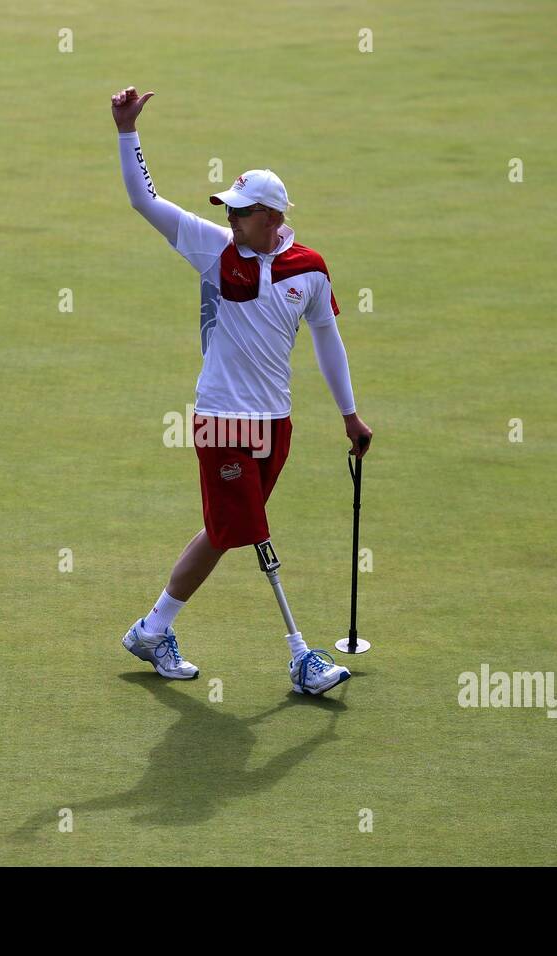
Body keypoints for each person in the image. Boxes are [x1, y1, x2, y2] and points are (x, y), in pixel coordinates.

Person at [112, 86, 372, 696]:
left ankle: (152, 629)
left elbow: (327, 340)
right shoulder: (213, 248)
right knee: (252, 529)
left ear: (274, 217)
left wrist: (349, 415)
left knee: (225, 530)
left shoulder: (308, 267)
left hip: (276, 422)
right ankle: (302, 656)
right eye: (229, 210)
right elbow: (142, 199)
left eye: (243, 212)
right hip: (222, 419)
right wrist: (128, 129)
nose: (231, 219)